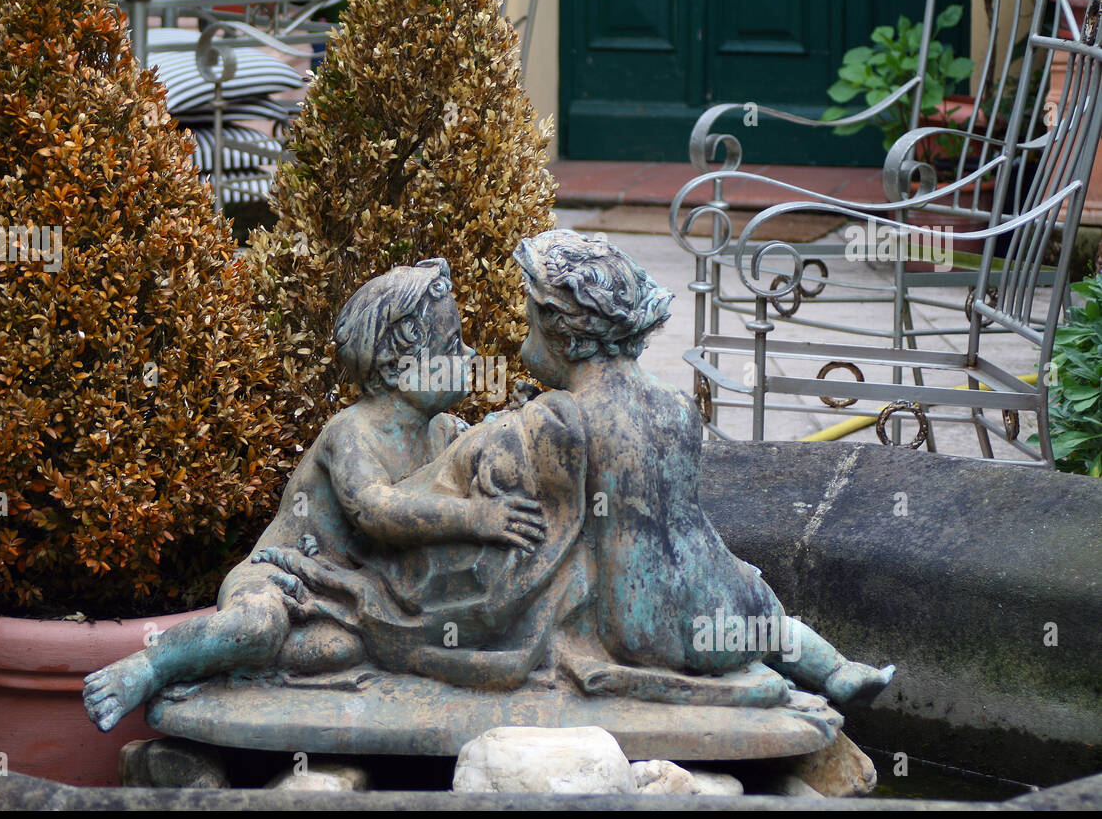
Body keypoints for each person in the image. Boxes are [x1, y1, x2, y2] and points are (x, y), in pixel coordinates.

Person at [262, 230, 895, 704]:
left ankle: (743, 691)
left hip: (638, 625)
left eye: (528, 325)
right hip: (725, 594)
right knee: (769, 619)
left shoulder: (559, 420)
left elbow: (538, 516)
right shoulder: (677, 408)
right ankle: (833, 668)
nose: (514, 343)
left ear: (563, 334)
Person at [83, 258, 544, 731]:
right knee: (256, 628)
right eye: (452, 346)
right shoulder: (352, 431)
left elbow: (475, 458)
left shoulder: (442, 430)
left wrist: (515, 425)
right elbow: (376, 509)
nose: (470, 355)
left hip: (338, 596)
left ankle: (256, 669)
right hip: (276, 577)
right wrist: (476, 517)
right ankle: (149, 667)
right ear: (395, 368)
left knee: (343, 649)